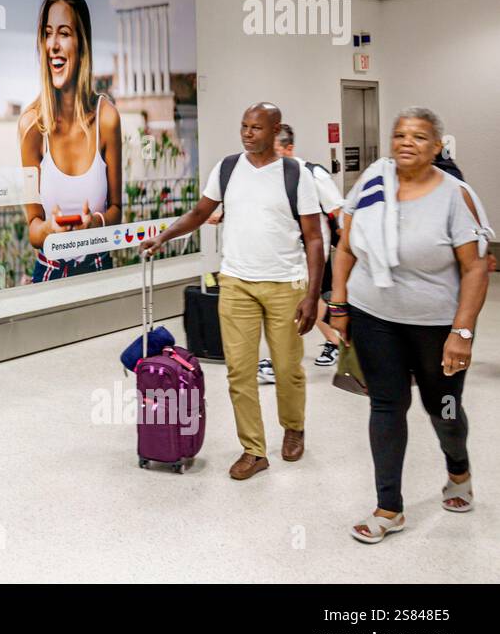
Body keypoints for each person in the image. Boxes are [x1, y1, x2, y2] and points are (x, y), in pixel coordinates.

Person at [329, 108, 491, 543]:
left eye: (419, 137)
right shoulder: (371, 183)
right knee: (386, 405)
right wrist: (339, 304)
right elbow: (345, 247)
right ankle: (389, 508)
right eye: (400, 134)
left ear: (438, 147)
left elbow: (476, 269)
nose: (406, 142)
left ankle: (458, 470)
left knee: (444, 409)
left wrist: (462, 332)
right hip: (373, 315)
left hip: (435, 323)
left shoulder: (455, 195)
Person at [144, 103, 325, 480]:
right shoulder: (227, 168)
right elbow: (198, 213)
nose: (247, 133)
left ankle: (294, 427)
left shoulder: (296, 174)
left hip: (284, 284)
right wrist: (164, 236)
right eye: (243, 126)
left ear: (275, 130)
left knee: (288, 368)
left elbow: (313, 239)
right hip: (236, 283)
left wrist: (312, 295)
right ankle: (254, 450)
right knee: (239, 373)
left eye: (256, 128)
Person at [19, 0, 122, 281]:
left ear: (81, 43)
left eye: (63, 33)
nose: (53, 45)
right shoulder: (30, 126)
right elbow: (33, 229)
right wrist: (50, 231)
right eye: (47, 33)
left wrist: (95, 225)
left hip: (100, 270)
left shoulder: (107, 119)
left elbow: (117, 210)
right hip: (50, 272)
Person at [274, 123, 345, 370]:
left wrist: (349, 250)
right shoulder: (271, 176)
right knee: (308, 300)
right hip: (285, 250)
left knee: (301, 299)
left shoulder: (313, 174)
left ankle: (282, 358)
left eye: (273, 150)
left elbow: (338, 211)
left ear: (289, 148)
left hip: (312, 248)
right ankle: (338, 340)